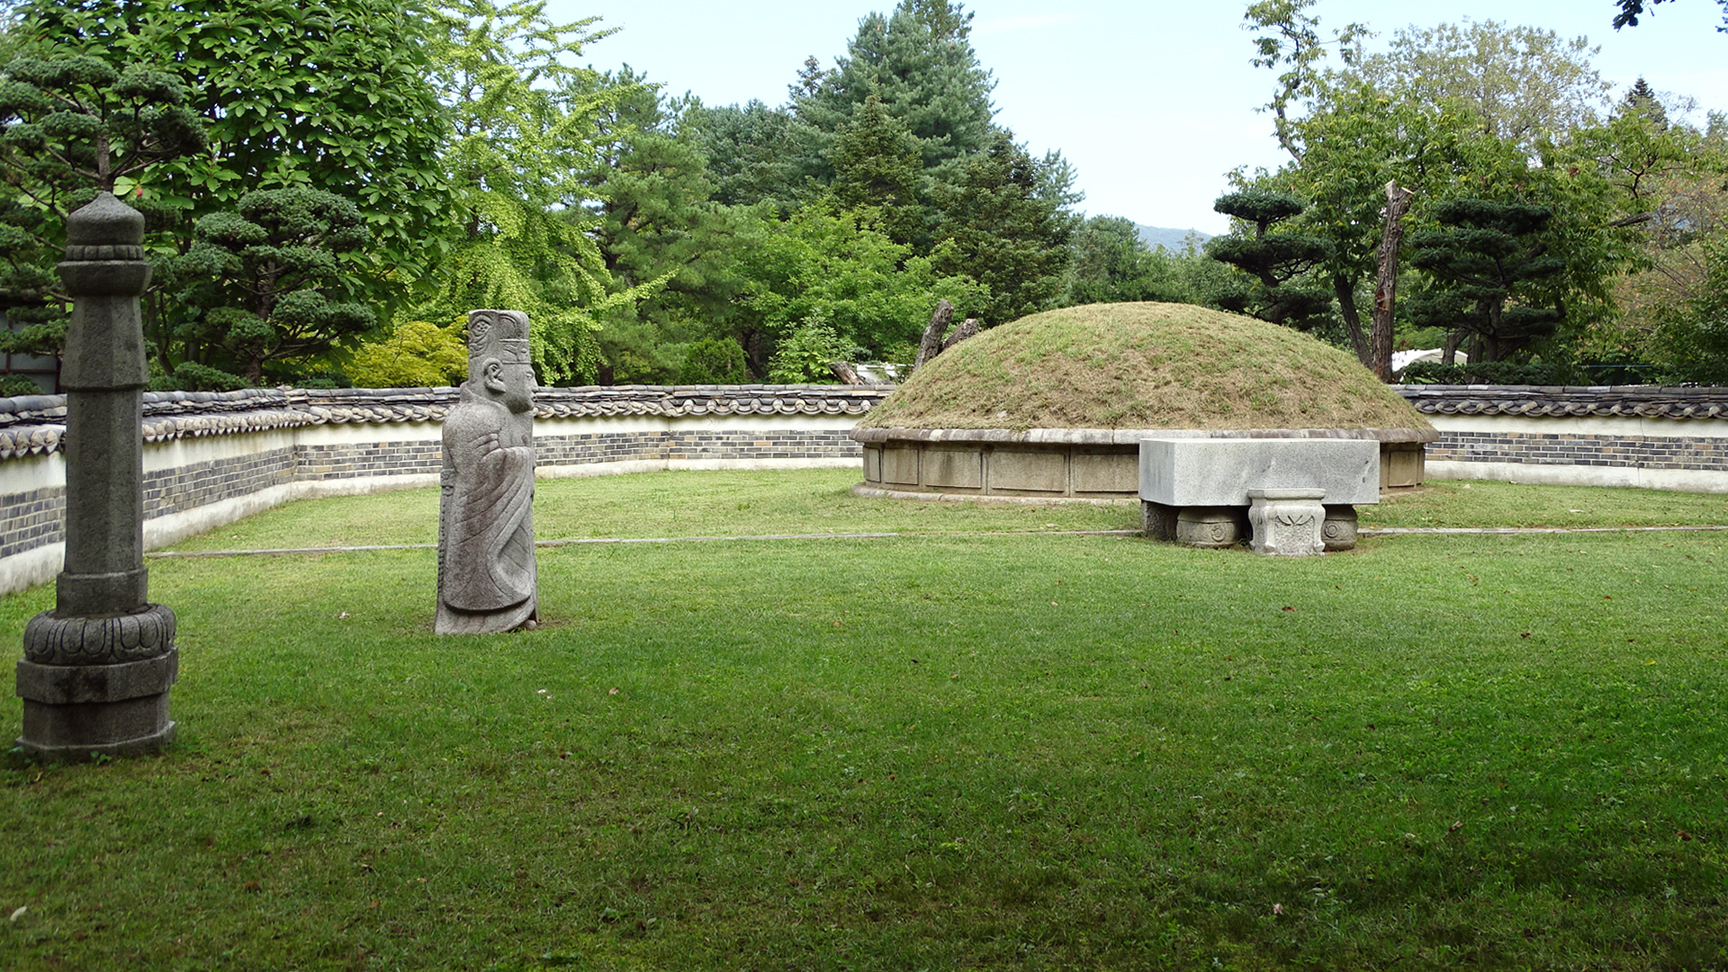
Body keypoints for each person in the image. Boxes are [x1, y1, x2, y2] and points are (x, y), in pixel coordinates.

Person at [436, 309, 538, 635]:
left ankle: (518, 608)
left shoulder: (504, 414)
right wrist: (523, 458)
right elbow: (478, 480)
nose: (535, 385)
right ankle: (481, 608)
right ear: (495, 375)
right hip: (474, 546)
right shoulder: (473, 418)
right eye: (527, 375)